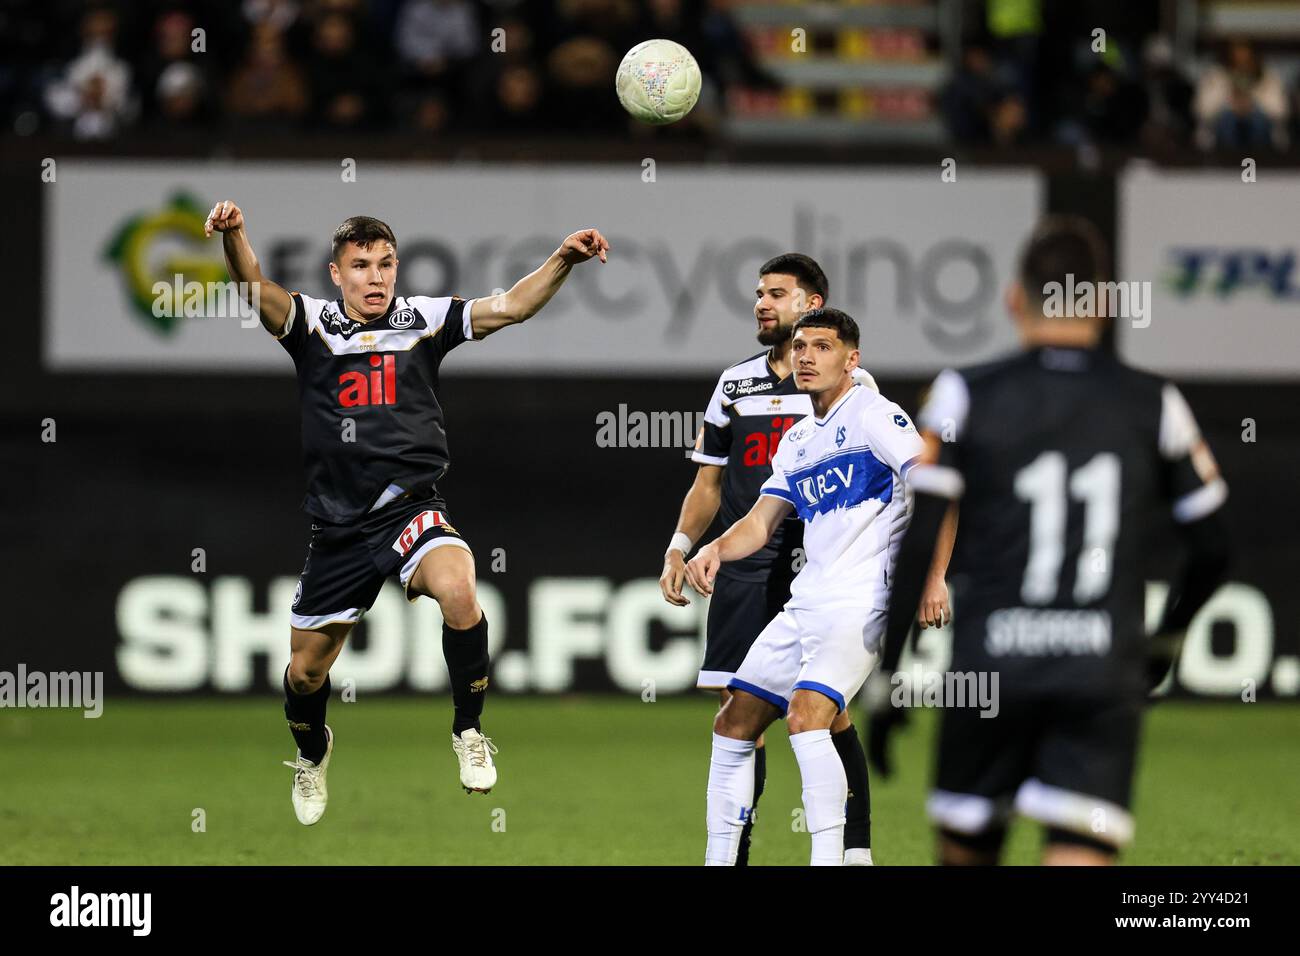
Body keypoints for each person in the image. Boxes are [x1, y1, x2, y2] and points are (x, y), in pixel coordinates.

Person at [205, 200, 608, 824]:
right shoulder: (311, 325)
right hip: (338, 527)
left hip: (408, 506)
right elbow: (252, 286)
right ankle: (312, 754)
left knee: (459, 588)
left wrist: (563, 258)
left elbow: (511, 306)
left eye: (386, 264)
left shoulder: (425, 319)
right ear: (336, 274)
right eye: (361, 265)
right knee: (306, 673)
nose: (375, 277)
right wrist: (234, 235)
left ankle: (468, 730)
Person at [875, 216, 1231, 864]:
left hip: (993, 668)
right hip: (1099, 670)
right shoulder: (1156, 403)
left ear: (1014, 298)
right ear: (1102, 303)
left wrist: (890, 676)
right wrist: (1165, 640)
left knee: (967, 852)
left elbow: (920, 537)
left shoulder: (962, 396)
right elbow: (1212, 548)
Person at [661, 255, 949, 865]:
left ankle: (834, 858)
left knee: (807, 718)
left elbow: (938, 490)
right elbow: (760, 523)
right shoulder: (797, 441)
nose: (807, 355)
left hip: (862, 600)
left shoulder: (875, 414)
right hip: (804, 603)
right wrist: (709, 547)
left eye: (822, 345)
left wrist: (934, 577)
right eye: (802, 347)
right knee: (734, 723)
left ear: (852, 359)